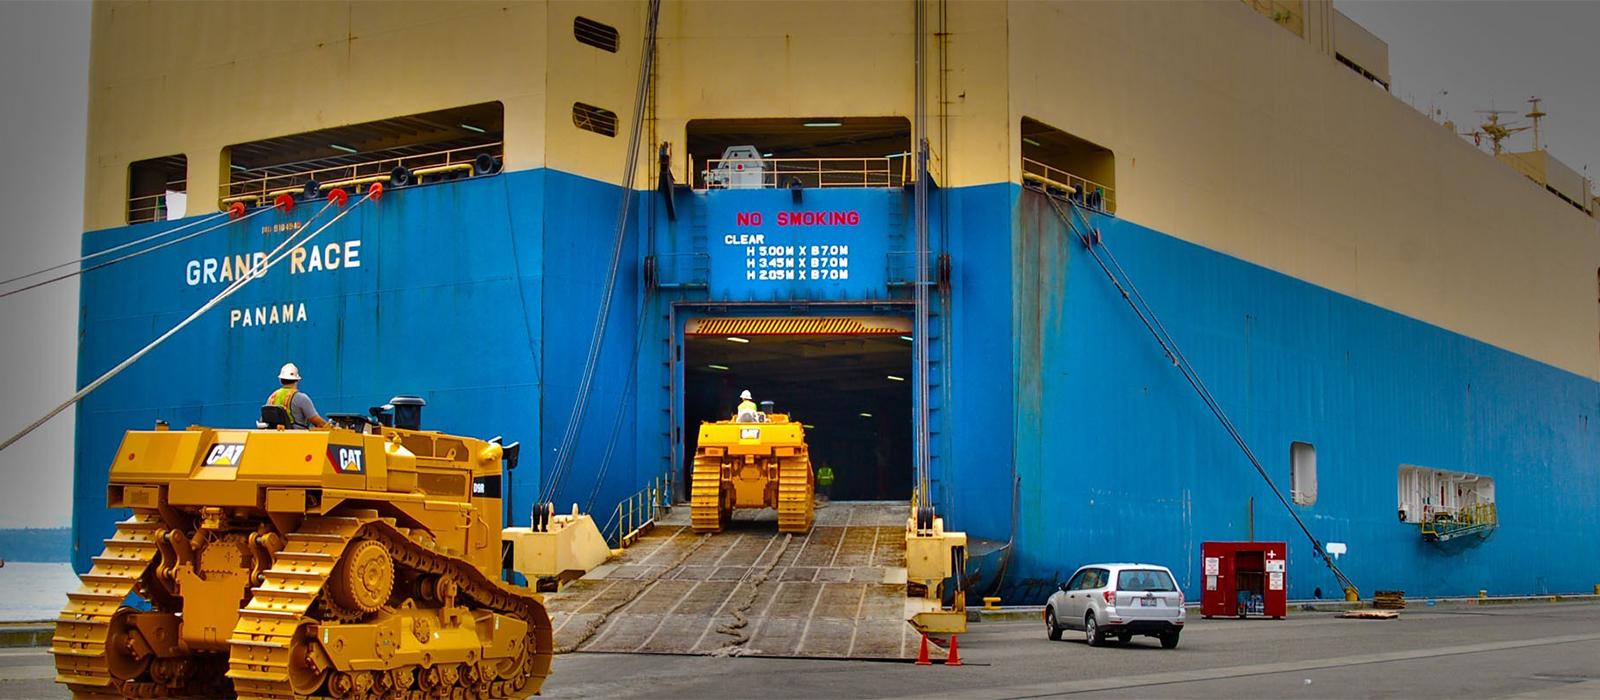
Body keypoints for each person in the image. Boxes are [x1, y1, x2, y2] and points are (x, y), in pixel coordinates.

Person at [267, 362, 327, 428]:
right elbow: (318, 422)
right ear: (297, 380)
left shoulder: (272, 398)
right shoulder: (301, 398)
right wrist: (330, 426)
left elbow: (265, 420)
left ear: (280, 380)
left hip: (275, 436)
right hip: (297, 436)